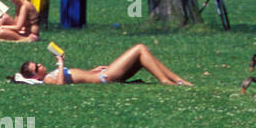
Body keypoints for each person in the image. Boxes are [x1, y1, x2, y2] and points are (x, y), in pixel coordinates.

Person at [16, 43, 191, 86]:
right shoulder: (48, 80)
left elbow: (79, 76)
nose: (40, 65)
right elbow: (61, 84)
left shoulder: (49, 74)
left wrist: (92, 70)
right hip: (104, 78)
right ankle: (166, 80)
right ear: (35, 76)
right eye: (37, 68)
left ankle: (177, 80)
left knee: (143, 56)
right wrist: (61, 64)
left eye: (37, 63)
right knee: (139, 48)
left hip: (100, 73)